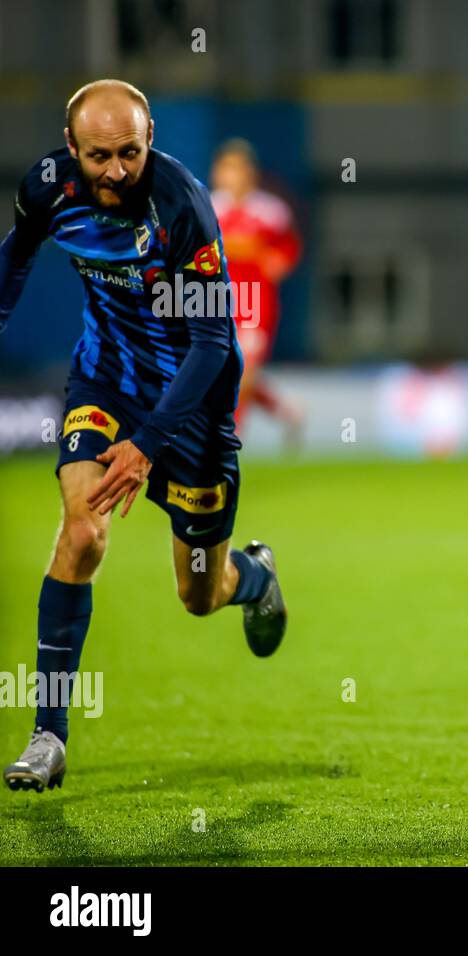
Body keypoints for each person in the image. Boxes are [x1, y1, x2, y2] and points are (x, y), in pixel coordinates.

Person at [0, 79, 288, 793]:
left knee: (200, 595)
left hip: (190, 413)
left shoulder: (181, 207)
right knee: (83, 531)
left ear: (150, 135)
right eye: (99, 156)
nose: (117, 170)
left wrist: (152, 441)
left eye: (131, 151)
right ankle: (48, 736)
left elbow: (214, 342)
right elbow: (14, 263)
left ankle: (255, 579)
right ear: (72, 149)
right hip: (105, 385)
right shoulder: (47, 190)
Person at [208, 138, 304, 443]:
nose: (230, 175)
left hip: (255, 300)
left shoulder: (270, 211)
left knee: (243, 369)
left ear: (250, 172)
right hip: (215, 301)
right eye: (226, 168)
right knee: (222, 370)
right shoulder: (207, 207)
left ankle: (229, 439)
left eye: (237, 168)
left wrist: (277, 260)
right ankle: (284, 412)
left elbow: (287, 249)